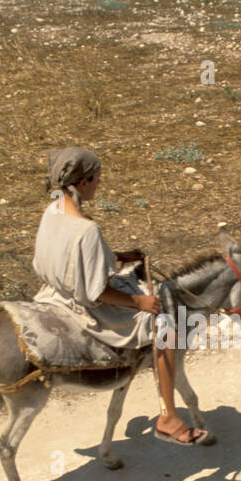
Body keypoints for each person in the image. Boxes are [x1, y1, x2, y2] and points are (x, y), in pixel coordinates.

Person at [31, 147, 210, 445]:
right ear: (84, 181)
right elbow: (97, 292)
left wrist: (117, 256)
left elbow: (65, 256)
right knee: (167, 330)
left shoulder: (52, 211)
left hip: (53, 294)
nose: (99, 184)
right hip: (87, 307)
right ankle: (168, 419)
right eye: (97, 179)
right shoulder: (88, 229)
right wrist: (139, 302)